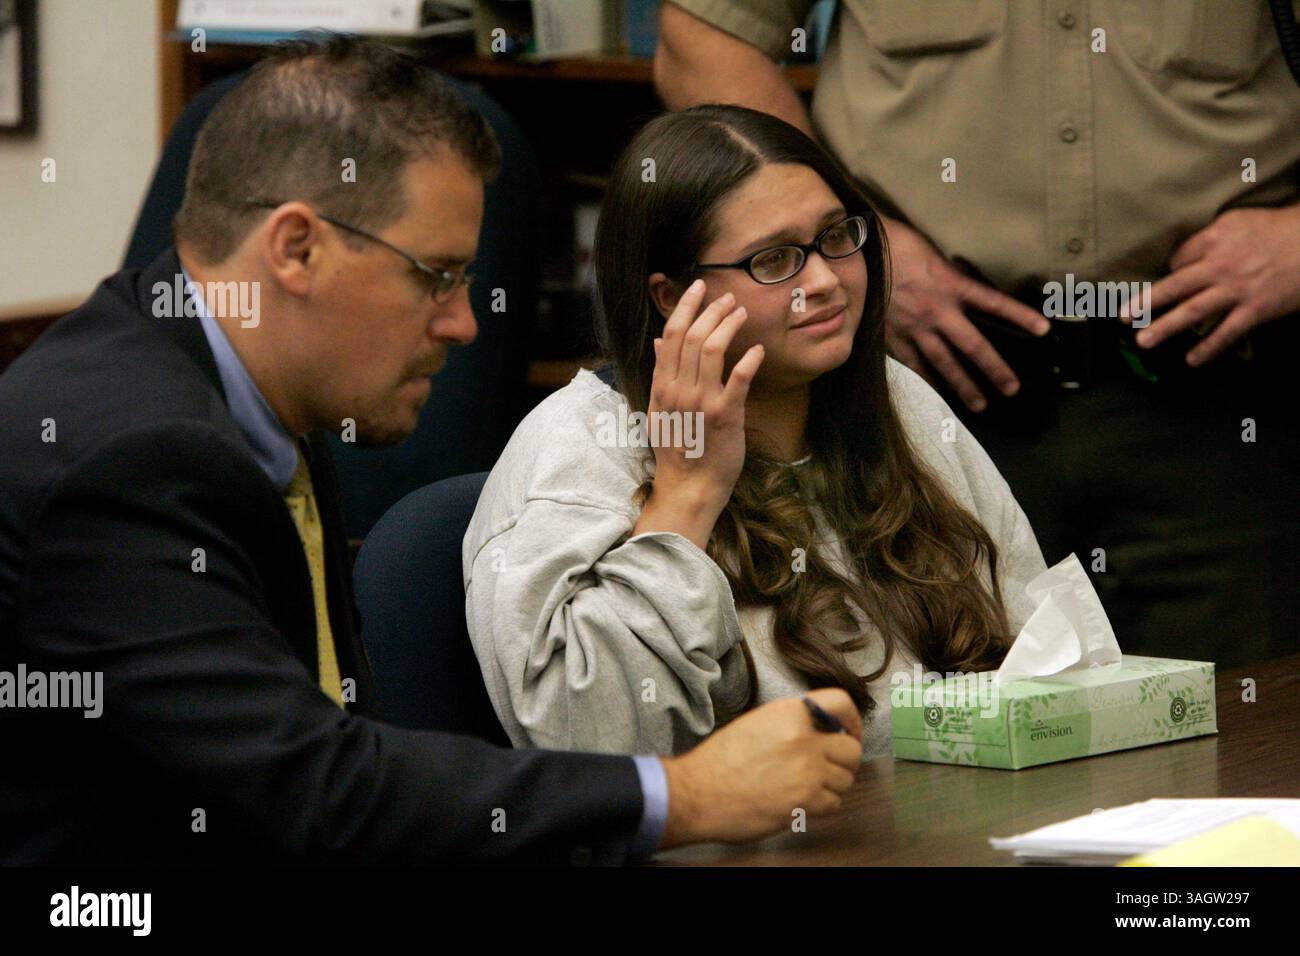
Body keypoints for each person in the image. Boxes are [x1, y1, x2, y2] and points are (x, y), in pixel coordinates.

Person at [0, 35, 864, 866]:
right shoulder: (131, 457)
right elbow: (314, 788)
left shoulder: (242, 383)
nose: (463, 323)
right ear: (297, 249)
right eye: (438, 275)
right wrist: (683, 795)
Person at [655, 0, 1300, 668]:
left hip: (1231, 405)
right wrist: (853, 246)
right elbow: (703, 33)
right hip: (922, 406)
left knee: (1247, 737)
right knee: (934, 735)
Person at [463, 104, 1049, 757]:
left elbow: (1044, 662)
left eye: (836, 237)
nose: (824, 281)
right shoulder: (575, 452)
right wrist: (685, 492)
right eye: (775, 261)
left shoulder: (897, 396)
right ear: (671, 298)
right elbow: (595, 750)